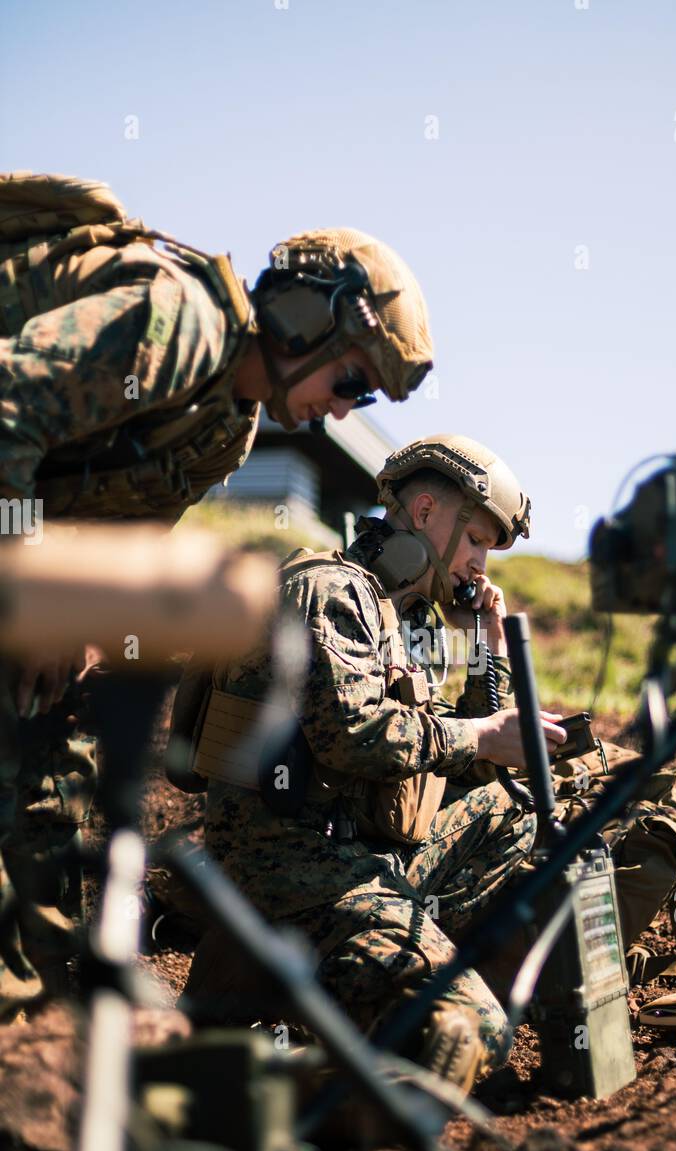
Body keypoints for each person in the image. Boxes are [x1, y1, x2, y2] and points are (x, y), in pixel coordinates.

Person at [0, 171, 434, 1013]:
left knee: (59, 769)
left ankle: (39, 1036)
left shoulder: (224, 430)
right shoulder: (178, 317)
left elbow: (128, 533)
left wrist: (85, 626)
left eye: (364, 399)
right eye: (348, 381)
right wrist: (35, 583)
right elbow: (8, 411)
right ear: (306, 322)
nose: (342, 412)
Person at [180, 434, 564, 1093]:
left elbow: (459, 764)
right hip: (298, 869)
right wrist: (478, 736)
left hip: (361, 851)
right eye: (474, 540)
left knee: (521, 817)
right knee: (474, 1029)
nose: (480, 564)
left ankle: (346, 977)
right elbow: (352, 736)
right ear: (423, 512)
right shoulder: (333, 592)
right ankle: (248, 1091)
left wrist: (483, 652)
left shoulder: (396, 616)